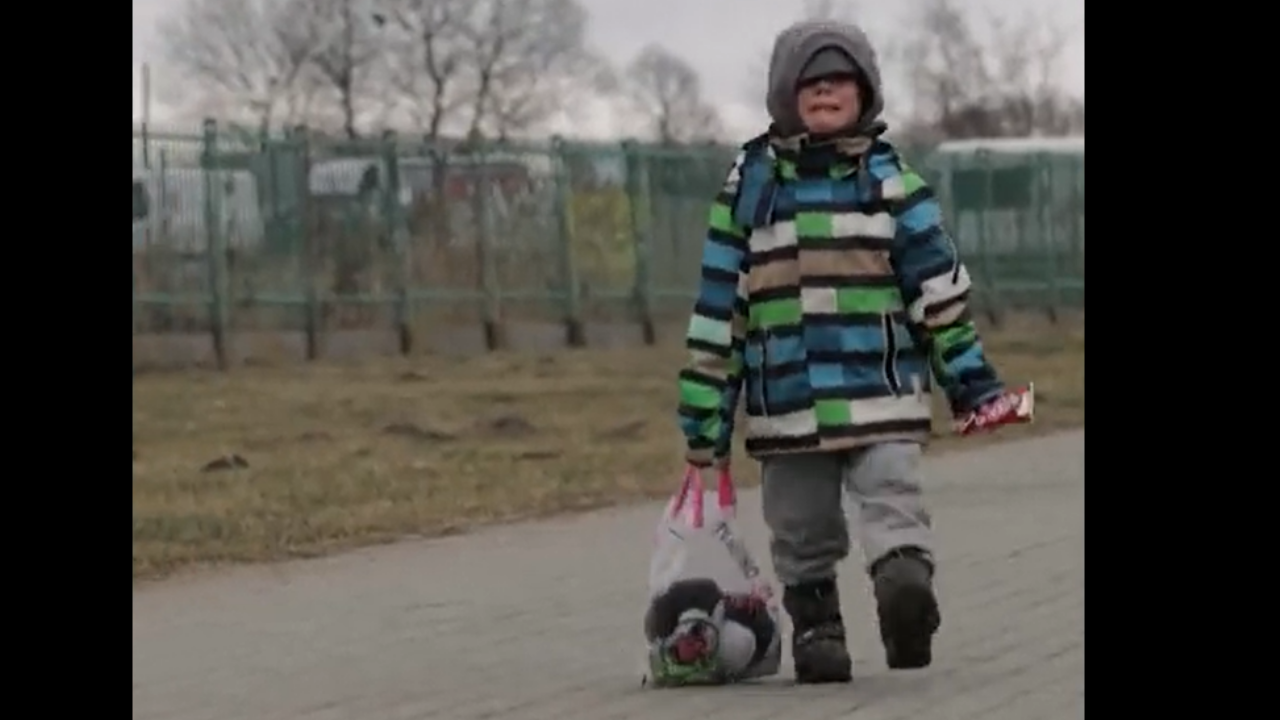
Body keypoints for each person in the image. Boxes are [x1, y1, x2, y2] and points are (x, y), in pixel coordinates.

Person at [676, 18, 1024, 684]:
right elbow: (720, 308)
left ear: (866, 91)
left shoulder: (892, 181)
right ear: (784, 93)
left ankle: (904, 591)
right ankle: (817, 627)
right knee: (799, 524)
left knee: (892, 493)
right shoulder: (750, 184)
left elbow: (939, 295)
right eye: (809, 80)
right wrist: (705, 427)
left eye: (840, 79)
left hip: (880, 392)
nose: (825, 90)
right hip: (788, 404)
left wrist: (974, 386)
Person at [643, 578, 781, 687]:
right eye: (700, 651)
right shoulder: (734, 649)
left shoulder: (661, 620)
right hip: (752, 645)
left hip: (742, 631)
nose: (698, 646)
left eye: (693, 637)